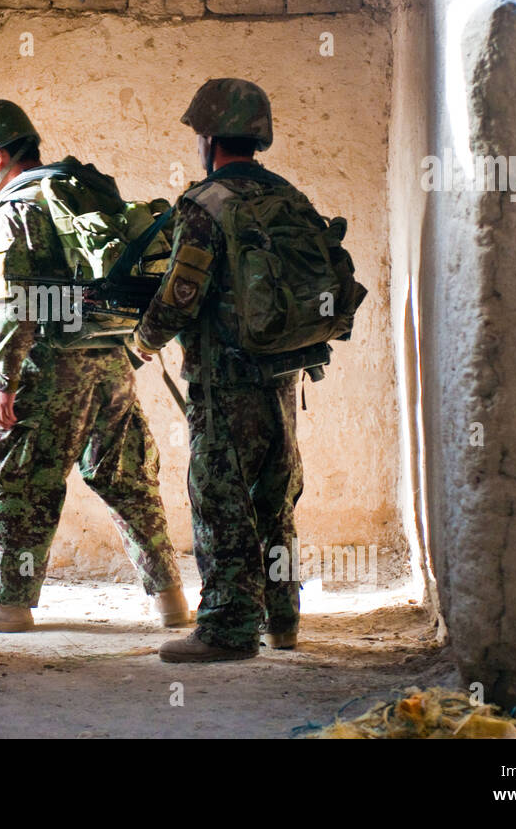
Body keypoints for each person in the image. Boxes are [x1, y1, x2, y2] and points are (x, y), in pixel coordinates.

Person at [0, 99, 190, 632]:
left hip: (47, 368)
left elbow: (14, 302)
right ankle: (170, 600)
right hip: (109, 359)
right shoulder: (75, 192)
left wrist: (4, 379)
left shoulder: (17, 207)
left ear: (1, 155)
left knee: (17, 478)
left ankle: (8, 604)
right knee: (127, 478)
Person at [132, 78, 307, 662]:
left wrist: (142, 341)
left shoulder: (205, 204)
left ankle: (228, 630)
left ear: (208, 138)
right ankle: (282, 620)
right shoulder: (288, 198)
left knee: (220, 498)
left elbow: (182, 293)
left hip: (225, 383)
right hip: (283, 379)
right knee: (274, 499)